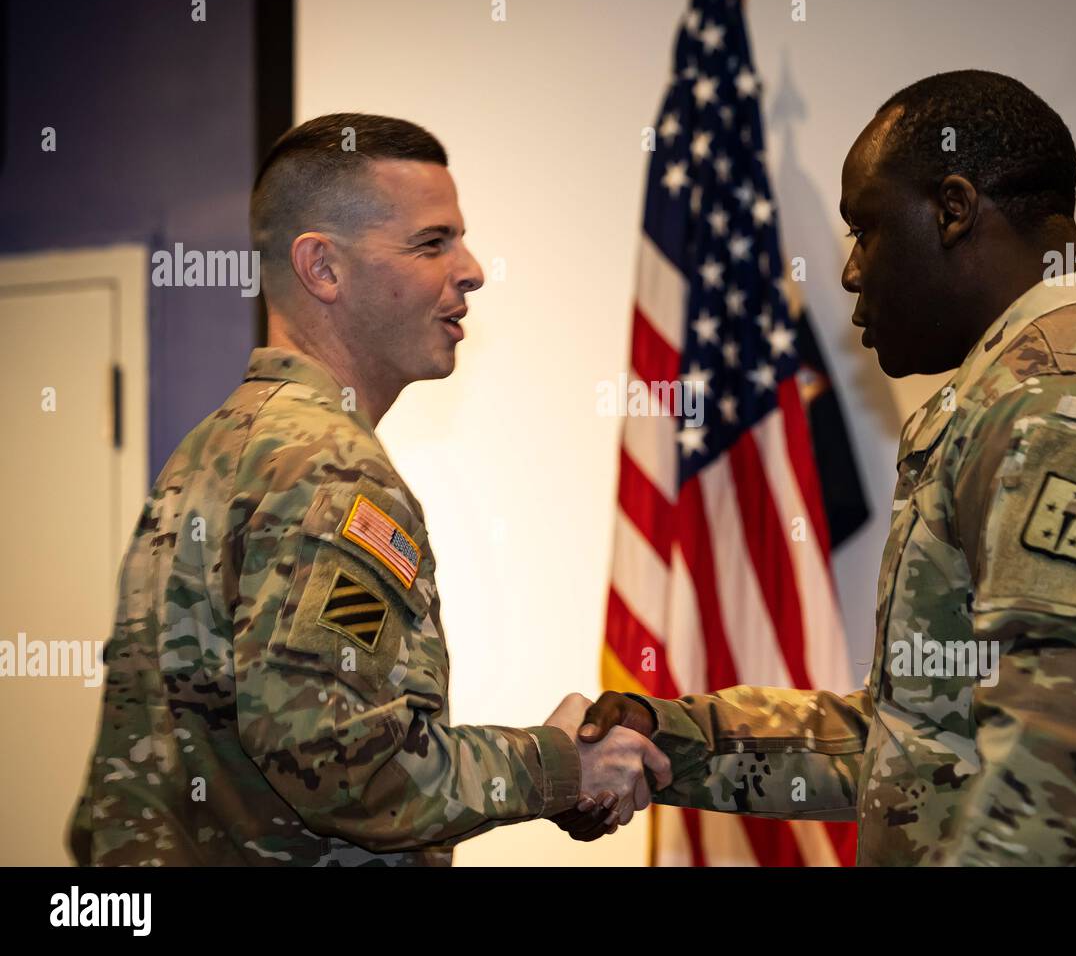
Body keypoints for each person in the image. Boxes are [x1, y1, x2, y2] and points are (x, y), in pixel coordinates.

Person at [577, 70, 1076, 866]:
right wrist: (672, 740)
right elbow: (924, 741)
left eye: (867, 229)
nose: (852, 271)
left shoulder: (1065, 404)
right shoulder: (1013, 399)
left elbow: (1064, 747)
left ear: (954, 211)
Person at [69, 113, 666, 866]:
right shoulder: (332, 468)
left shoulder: (215, 448)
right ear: (323, 268)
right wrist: (557, 766)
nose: (473, 268)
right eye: (431, 242)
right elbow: (342, 762)